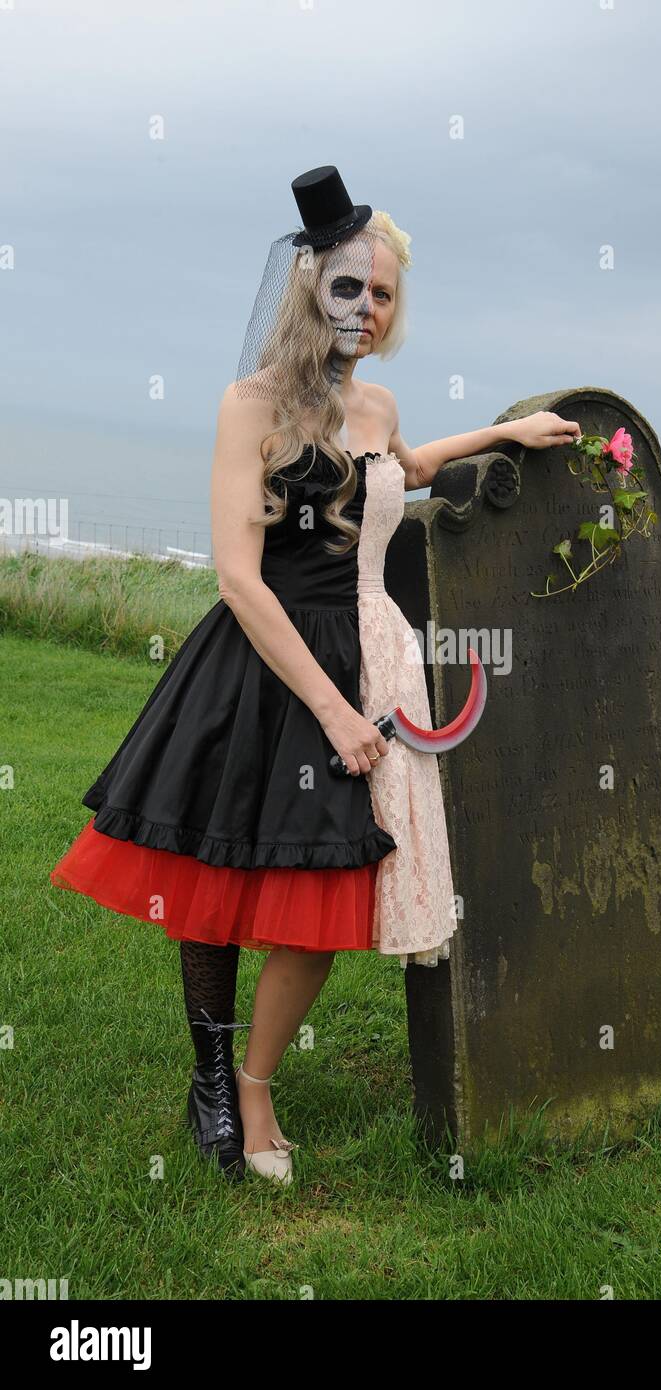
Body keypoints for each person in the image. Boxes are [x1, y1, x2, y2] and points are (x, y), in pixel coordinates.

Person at [49, 164, 579, 1187]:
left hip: (372, 652)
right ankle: (214, 1077)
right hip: (266, 662)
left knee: (324, 896)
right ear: (308, 289)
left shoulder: (376, 403)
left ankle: (255, 1082)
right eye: (351, 287)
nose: (369, 308)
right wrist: (334, 713)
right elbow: (239, 580)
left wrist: (506, 432)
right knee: (217, 879)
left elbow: (410, 471)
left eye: (383, 293)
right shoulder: (248, 407)